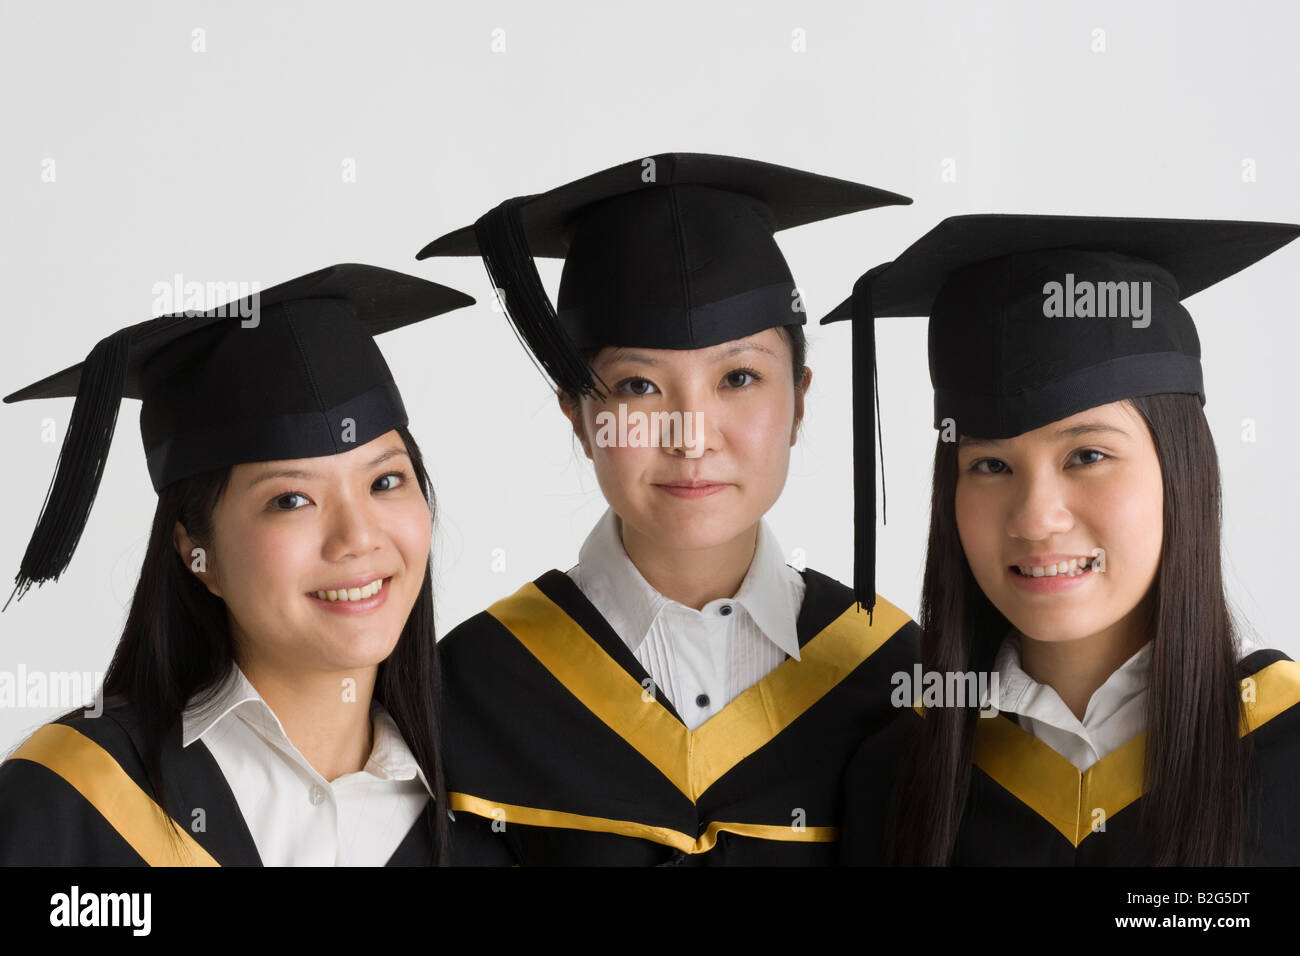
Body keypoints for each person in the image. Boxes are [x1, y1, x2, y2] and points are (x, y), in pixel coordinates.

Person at [417, 152, 921, 864]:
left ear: (800, 400)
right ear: (577, 414)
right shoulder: (471, 690)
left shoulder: (895, 678)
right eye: (638, 387)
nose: (691, 436)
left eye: (739, 377)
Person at [824, 215, 1300, 865]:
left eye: (1087, 455)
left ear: (1180, 468)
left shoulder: (1286, 749)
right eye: (990, 465)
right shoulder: (896, 777)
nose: (1035, 517)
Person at [0, 264, 474, 865]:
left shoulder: (489, 815)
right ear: (198, 554)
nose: (356, 537)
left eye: (385, 480)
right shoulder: (73, 805)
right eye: (291, 500)